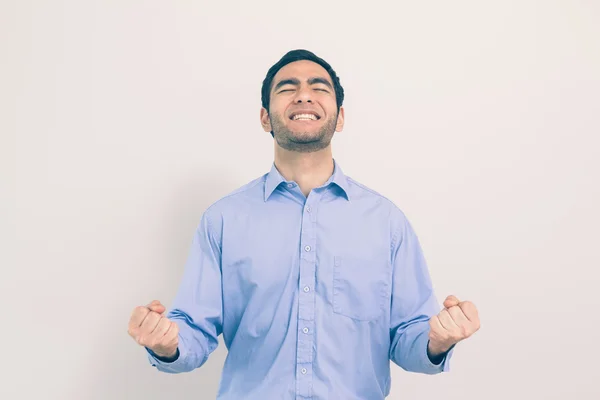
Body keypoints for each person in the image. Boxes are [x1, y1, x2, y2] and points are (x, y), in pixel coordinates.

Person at [127, 49, 480, 399]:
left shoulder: (387, 222)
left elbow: (408, 338)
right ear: (265, 118)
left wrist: (437, 341)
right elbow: (194, 333)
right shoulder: (222, 220)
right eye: (287, 87)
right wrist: (166, 344)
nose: (304, 95)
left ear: (340, 117)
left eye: (319, 87)